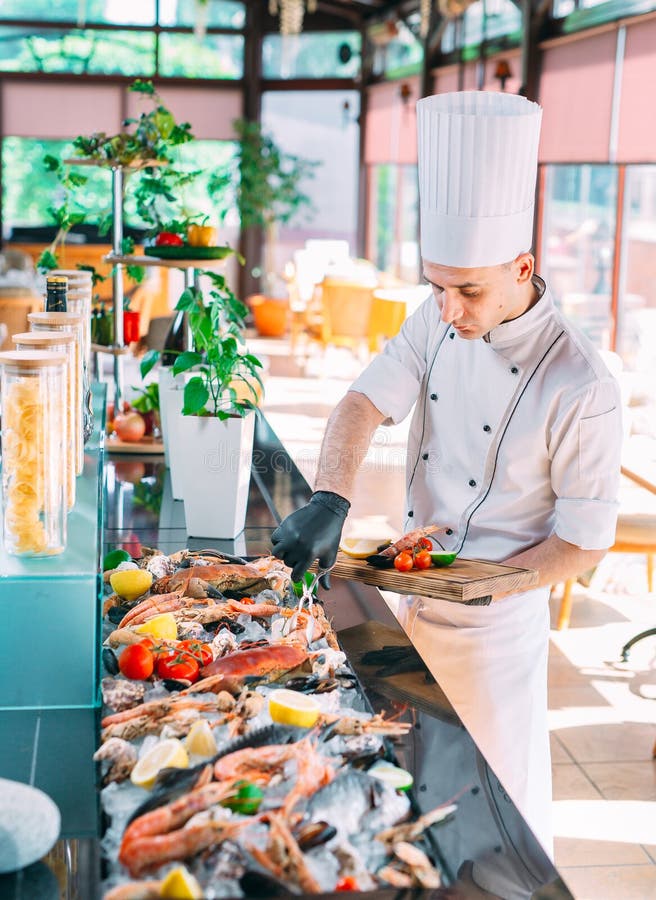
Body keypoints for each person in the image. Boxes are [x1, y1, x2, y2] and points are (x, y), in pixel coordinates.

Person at [271, 91, 623, 854]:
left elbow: (586, 543)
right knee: (399, 808)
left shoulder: (583, 386)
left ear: (524, 266)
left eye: (468, 289)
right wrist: (331, 494)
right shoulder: (434, 317)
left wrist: (481, 581)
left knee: (487, 832)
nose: (449, 308)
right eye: (437, 284)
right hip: (406, 608)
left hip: (495, 634)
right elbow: (362, 402)